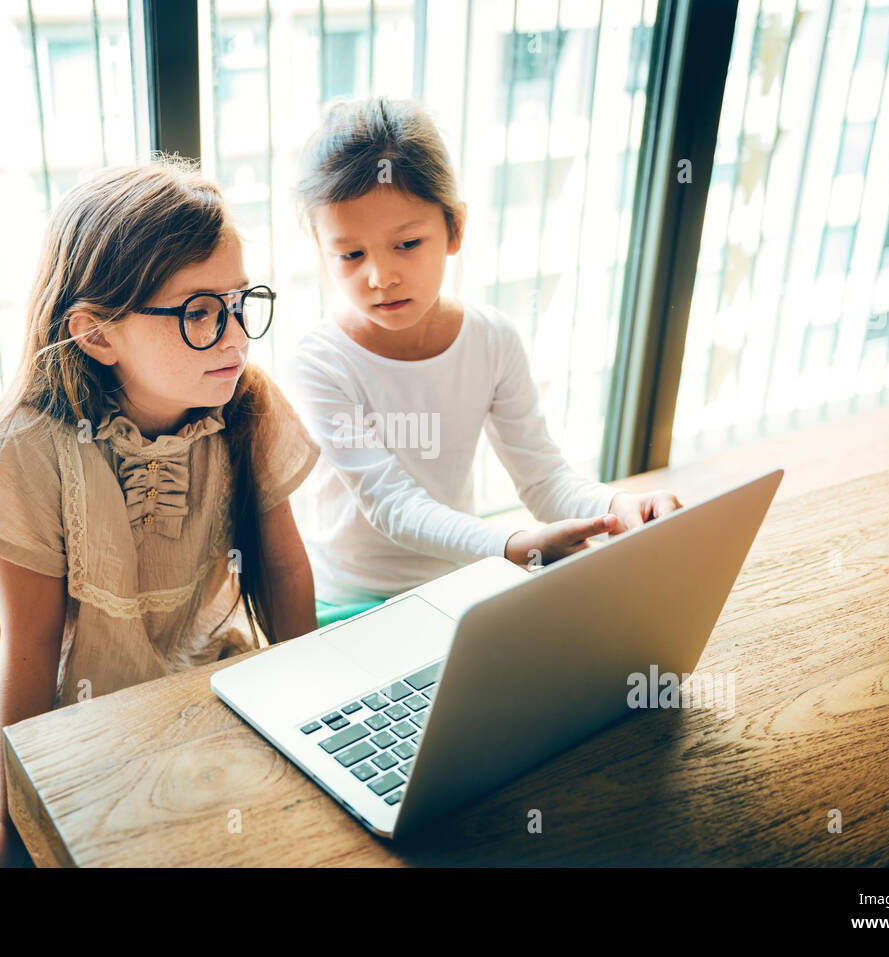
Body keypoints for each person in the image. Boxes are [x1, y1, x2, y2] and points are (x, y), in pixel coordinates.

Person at [0, 156, 320, 866]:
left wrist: (310, 708)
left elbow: (286, 566)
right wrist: (7, 826)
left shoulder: (247, 404)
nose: (234, 336)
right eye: (199, 312)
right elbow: (31, 644)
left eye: (239, 302)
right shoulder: (28, 452)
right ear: (97, 334)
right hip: (75, 714)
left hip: (205, 680)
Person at [287, 95, 683, 606]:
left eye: (407, 244)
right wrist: (510, 547)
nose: (380, 276)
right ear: (322, 253)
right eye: (350, 254)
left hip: (459, 589)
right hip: (346, 606)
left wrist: (622, 504)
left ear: (455, 228)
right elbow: (392, 506)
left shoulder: (491, 339)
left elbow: (544, 479)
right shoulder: (319, 361)